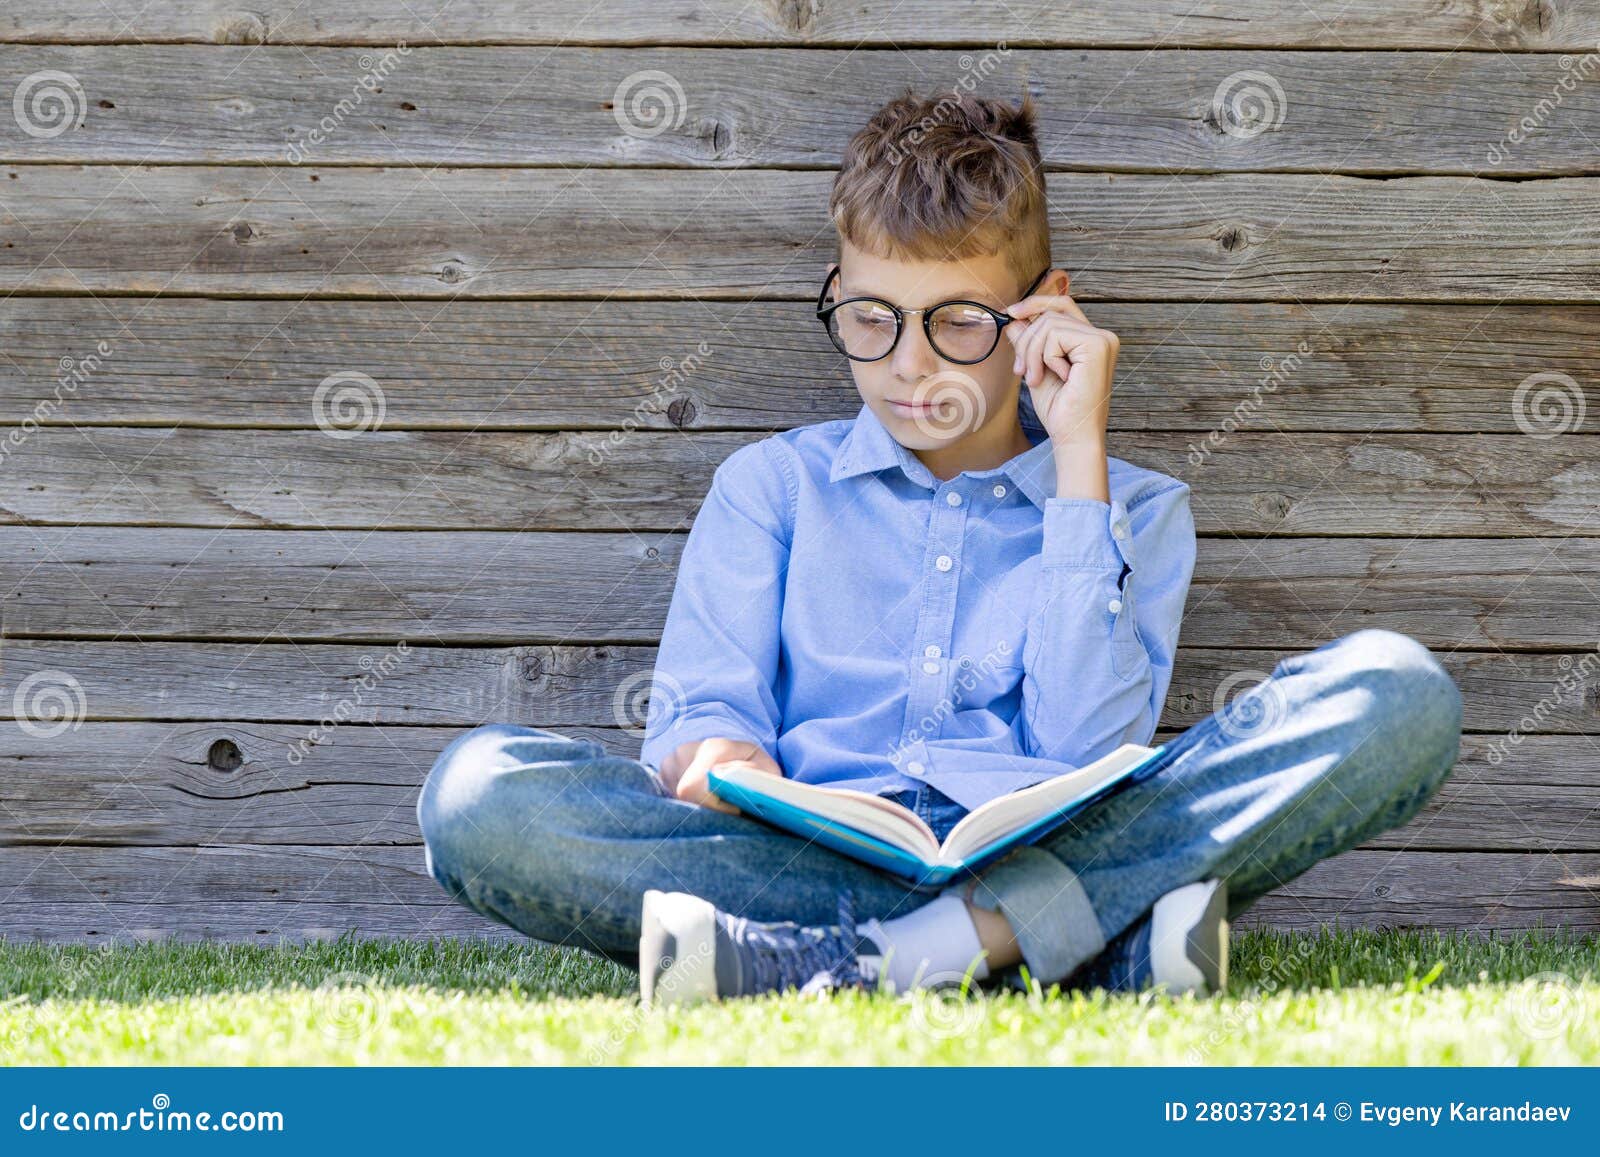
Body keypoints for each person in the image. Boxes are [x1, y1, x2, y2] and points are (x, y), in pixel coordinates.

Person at [417, 90, 1462, 1006]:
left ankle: (859, 959)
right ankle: (1075, 946)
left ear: (1042, 308)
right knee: (479, 795)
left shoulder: (1133, 509)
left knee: (1396, 691)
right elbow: (703, 716)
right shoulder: (769, 488)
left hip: (1044, 839)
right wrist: (719, 757)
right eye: (873, 316)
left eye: (958, 321)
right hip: (795, 858)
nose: (908, 366)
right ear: (839, 290)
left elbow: (1085, 753)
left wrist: (1080, 453)